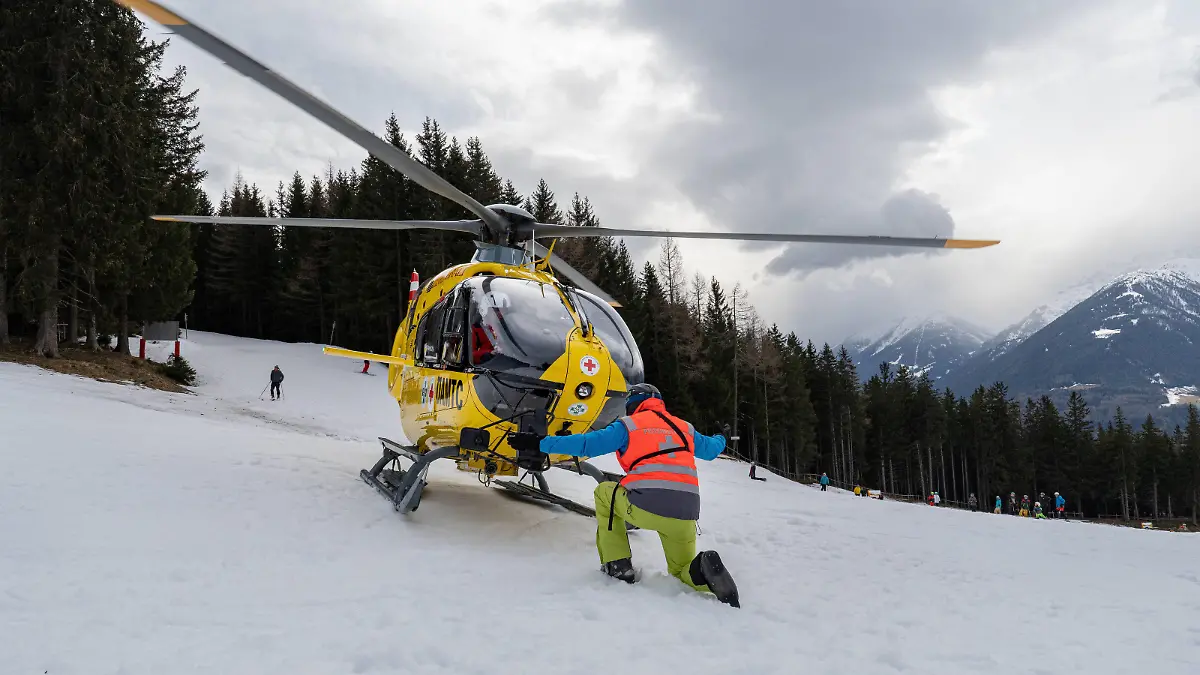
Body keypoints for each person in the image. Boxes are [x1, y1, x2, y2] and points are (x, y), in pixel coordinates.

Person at [509, 383, 740, 607]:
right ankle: (702, 570)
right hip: (686, 513)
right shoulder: (684, 428)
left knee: (604, 492)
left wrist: (540, 443)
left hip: (645, 504)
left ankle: (617, 564)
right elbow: (710, 450)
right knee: (681, 570)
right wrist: (722, 436)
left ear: (634, 403)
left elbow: (587, 444)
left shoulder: (629, 425)